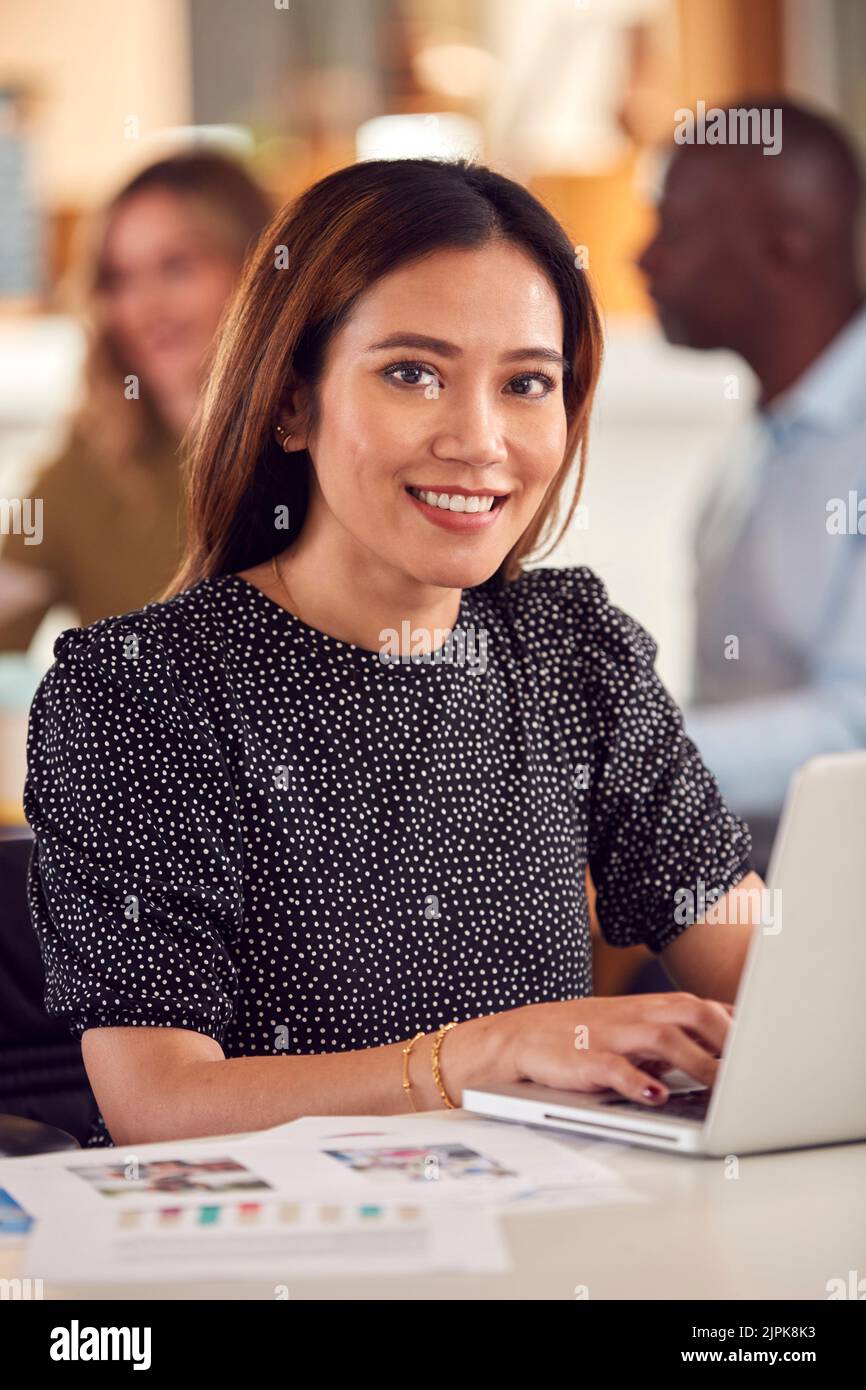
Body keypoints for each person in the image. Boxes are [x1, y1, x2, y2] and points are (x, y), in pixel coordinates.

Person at [24, 157, 764, 1149]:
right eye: (412, 373)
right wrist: (481, 1057)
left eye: (526, 383)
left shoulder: (573, 649)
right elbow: (159, 1104)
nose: (479, 438)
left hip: (546, 1239)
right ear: (291, 402)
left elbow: (773, 985)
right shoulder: (137, 691)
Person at [637, 99, 866, 873]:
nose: (647, 258)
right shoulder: (762, 436)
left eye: (677, 228)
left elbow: (853, 730)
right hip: (743, 897)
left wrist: (620, 747)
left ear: (783, 247)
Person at [0, 151, 274, 650]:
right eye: (119, 279)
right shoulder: (79, 476)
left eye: (176, 267)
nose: (143, 308)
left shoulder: (328, 450)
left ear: (258, 267)